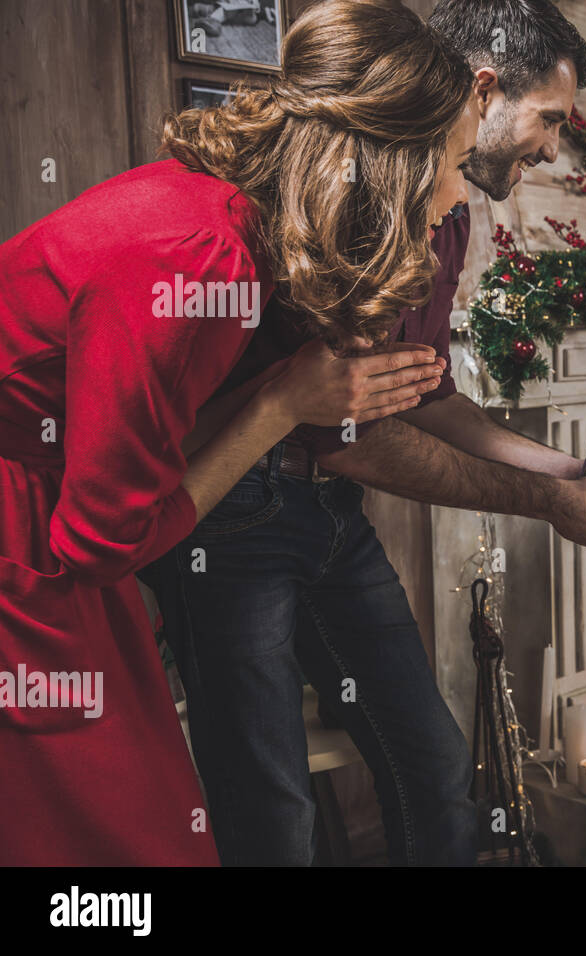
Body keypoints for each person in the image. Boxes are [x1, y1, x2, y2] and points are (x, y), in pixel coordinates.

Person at [140, 0, 586, 867]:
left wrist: (574, 469)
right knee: (270, 811)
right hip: (230, 516)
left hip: (331, 511)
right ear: (486, 89)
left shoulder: (449, 212)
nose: (550, 150)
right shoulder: (358, 197)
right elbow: (352, 428)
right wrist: (553, 503)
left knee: (431, 766)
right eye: (548, 122)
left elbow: (420, 395)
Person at [0, 0, 468, 865]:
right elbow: (100, 543)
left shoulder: (233, 228)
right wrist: (284, 403)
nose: (456, 194)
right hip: (28, 542)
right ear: (390, 164)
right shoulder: (199, 254)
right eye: (453, 163)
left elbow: (152, 440)